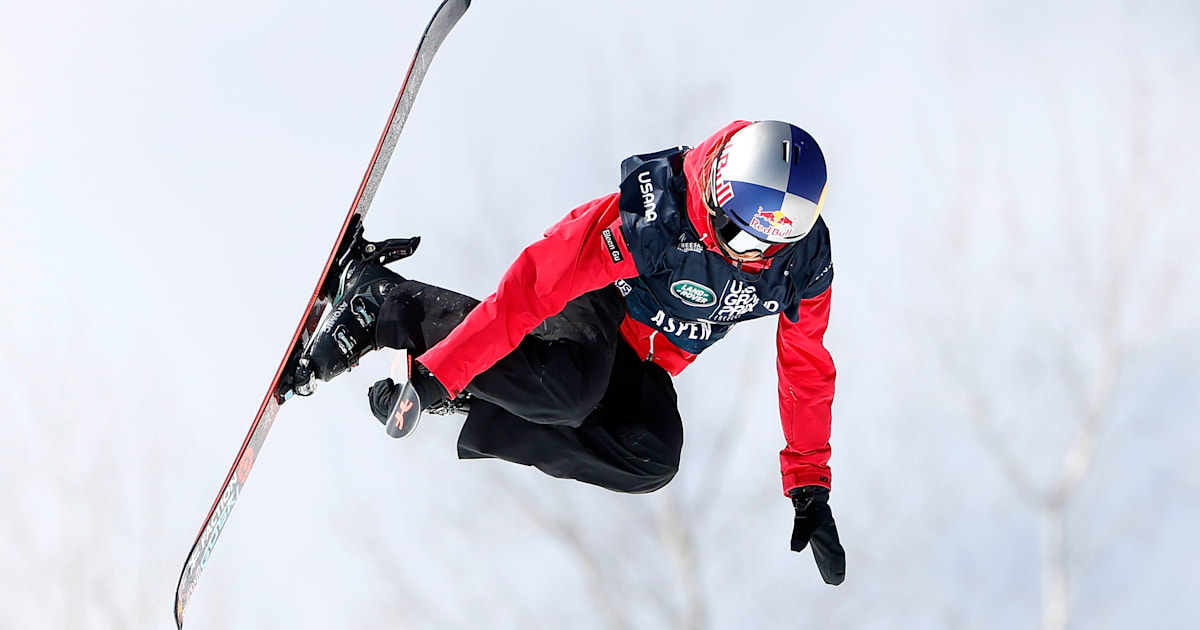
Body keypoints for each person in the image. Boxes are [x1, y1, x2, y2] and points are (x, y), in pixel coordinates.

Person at [301, 120, 845, 585]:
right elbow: (531, 291)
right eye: (722, 220)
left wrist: (809, 486)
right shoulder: (657, 218)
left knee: (652, 456)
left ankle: (482, 392)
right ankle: (385, 303)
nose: (729, 244)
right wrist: (437, 375)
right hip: (597, 303)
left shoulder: (802, 269)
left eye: (749, 243)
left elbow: (806, 369)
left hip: (643, 356)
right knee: (567, 388)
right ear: (718, 182)